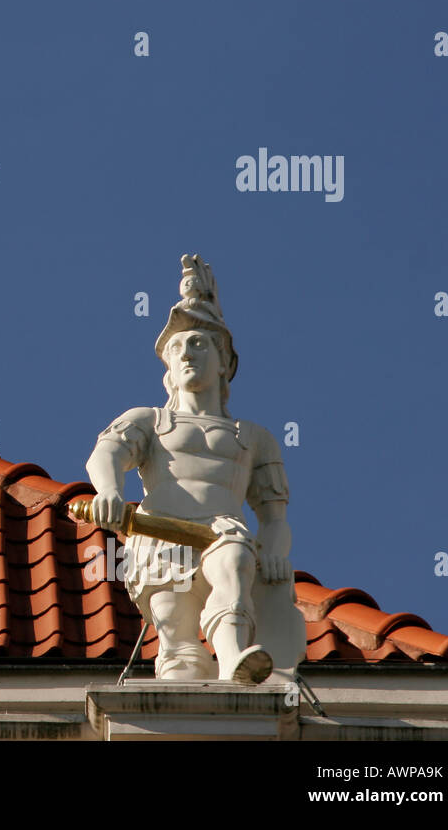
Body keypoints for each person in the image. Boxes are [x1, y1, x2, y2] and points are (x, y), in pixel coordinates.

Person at [83, 256, 301, 684]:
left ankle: (235, 658)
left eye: (199, 343)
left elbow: (274, 516)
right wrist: (108, 489)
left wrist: (274, 553)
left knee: (235, 562)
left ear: (224, 362)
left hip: (222, 528)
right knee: (177, 641)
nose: (186, 353)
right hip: (160, 532)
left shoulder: (254, 436)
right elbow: (105, 452)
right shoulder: (149, 420)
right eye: (177, 347)